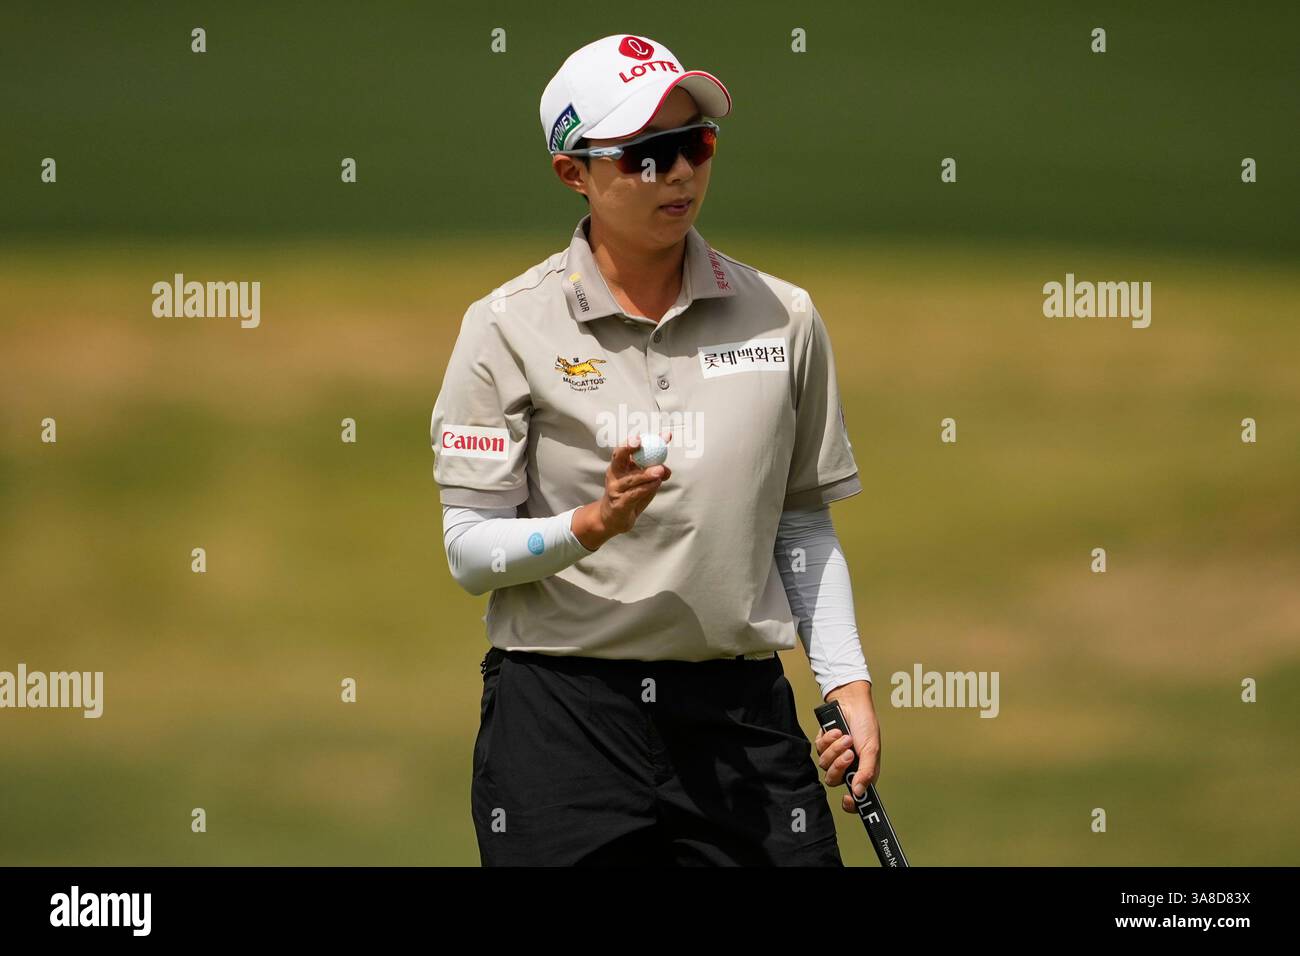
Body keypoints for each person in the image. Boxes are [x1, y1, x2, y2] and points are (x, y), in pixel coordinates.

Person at [430, 33, 882, 865]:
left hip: (739, 720)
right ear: (574, 172)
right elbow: (468, 550)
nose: (678, 173)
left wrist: (846, 681)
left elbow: (802, 524)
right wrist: (588, 526)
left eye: (694, 144)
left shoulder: (784, 317)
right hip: (561, 724)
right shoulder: (503, 327)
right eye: (645, 154)